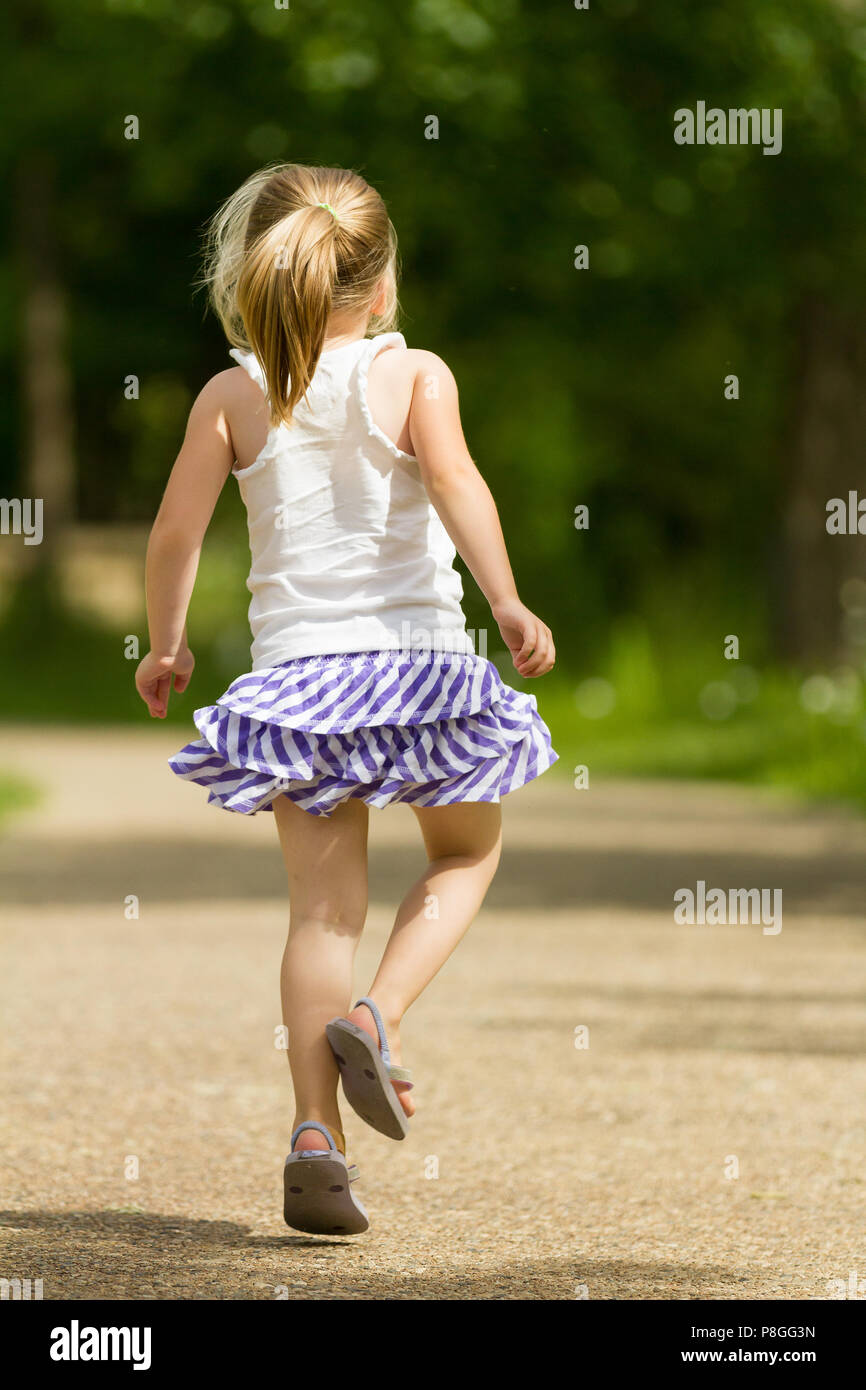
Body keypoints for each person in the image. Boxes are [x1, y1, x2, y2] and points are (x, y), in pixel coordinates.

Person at [135, 163, 558, 1235]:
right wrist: (506, 599)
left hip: (299, 689)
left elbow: (176, 532)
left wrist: (168, 643)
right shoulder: (414, 373)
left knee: (321, 912)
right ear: (378, 286)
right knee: (463, 855)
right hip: (417, 670)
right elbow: (460, 484)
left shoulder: (230, 394)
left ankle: (313, 1135)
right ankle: (381, 1012)